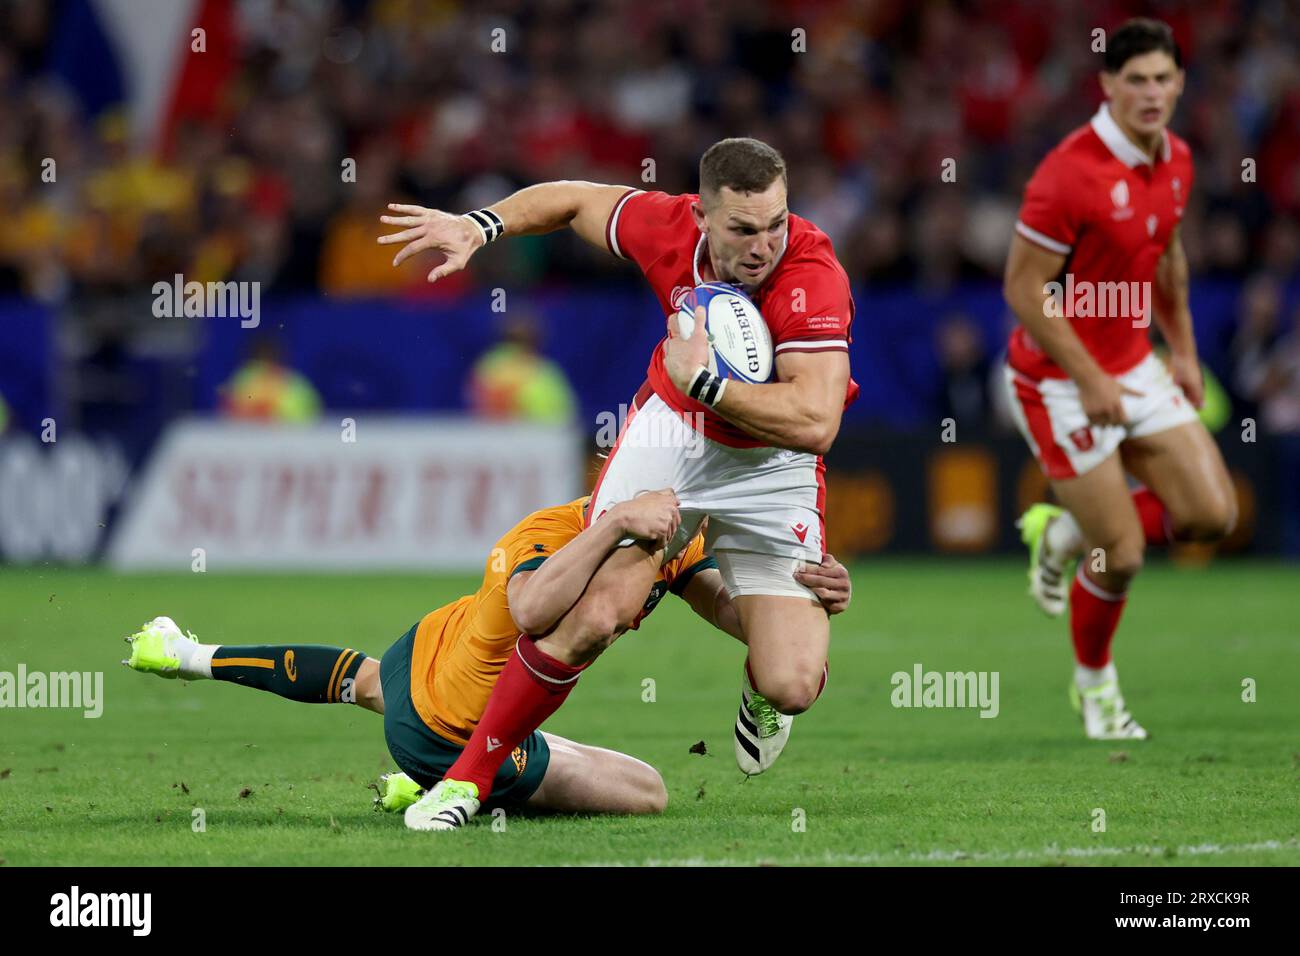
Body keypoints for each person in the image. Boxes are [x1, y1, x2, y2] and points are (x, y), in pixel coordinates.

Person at [378, 136, 858, 825]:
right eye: (743, 229)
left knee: (793, 683)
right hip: (673, 434)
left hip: (771, 462)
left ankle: (764, 688)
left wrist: (709, 384)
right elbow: (570, 199)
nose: (764, 246)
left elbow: (814, 423)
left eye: (777, 223)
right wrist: (479, 225)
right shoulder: (665, 225)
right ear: (701, 217)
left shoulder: (813, 275)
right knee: (588, 615)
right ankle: (467, 782)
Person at [122, 491, 852, 828]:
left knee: (361, 679)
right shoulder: (549, 530)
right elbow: (537, 606)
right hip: (455, 733)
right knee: (649, 789)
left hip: (423, 660)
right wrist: (616, 528)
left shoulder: (670, 540)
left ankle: (186, 652)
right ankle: (440, 789)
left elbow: (726, 606)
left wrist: (797, 602)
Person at [1002, 19, 1236, 740]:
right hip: (1057, 377)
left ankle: (1067, 529)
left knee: (1212, 517)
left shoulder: (1179, 160)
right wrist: (1087, 375)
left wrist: (1186, 351)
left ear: (1180, 84)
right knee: (1125, 552)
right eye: (1136, 79)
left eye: (1164, 78)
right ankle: (1095, 687)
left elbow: (1166, 258)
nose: (1152, 92)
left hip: (1135, 364)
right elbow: (1022, 287)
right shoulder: (1069, 172)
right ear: (1106, 85)